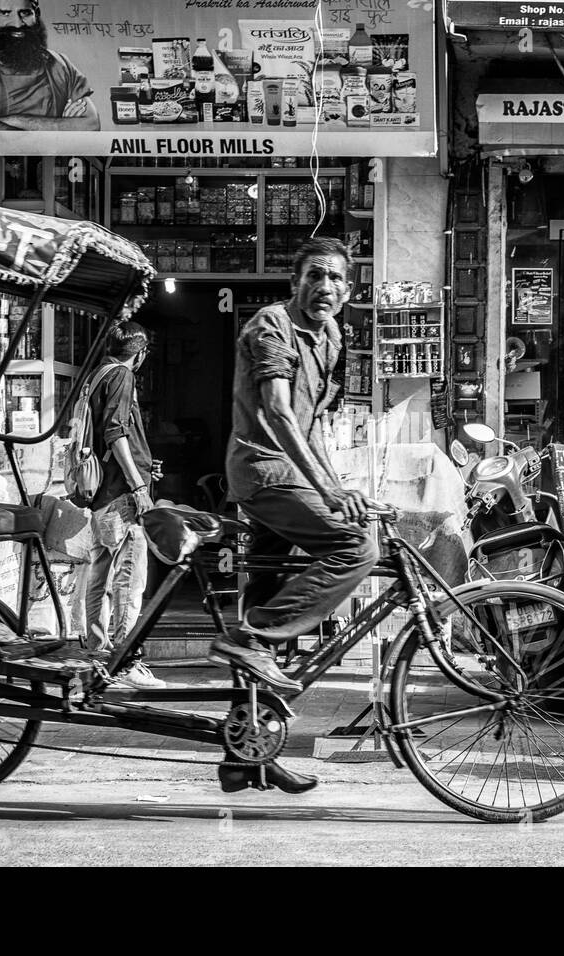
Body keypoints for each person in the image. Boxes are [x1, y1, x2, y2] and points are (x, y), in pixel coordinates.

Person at [208, 236, 379, 794]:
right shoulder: (270, 326)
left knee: (273, 605)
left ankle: (246, 751)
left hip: (295, 476)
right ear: (295, 282)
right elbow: (279, 411)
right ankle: (252, 636)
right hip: (263, 474)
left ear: (348, 290)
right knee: (357, 548)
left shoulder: (331, 336)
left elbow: (311, 425)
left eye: (334, 279)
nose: (323, 287)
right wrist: (329, 492)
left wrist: (338, 485)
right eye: (313, 276)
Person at [83, 321, 166, 690]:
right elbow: (115, 433)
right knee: (130, 577)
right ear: (141, 353)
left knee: (101, 571)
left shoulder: (98, 374)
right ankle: (124, 659)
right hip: (119, 495)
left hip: (102, 494)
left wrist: (144, 464)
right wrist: (138, 485)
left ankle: (98, 653)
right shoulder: (122, 377)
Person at [0, 0, 101, 132]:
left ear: (36, 14)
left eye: (25, 13)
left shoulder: (61, 65)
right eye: (5, 13)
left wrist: (13, 122)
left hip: (55, 164)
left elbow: (91, 124)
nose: (18, 24)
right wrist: (62, 126)